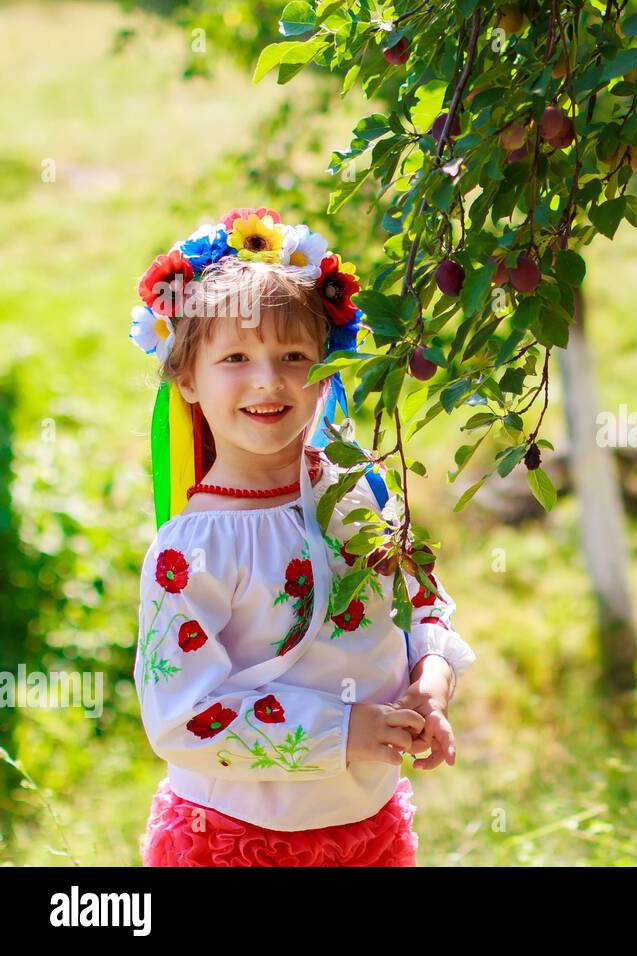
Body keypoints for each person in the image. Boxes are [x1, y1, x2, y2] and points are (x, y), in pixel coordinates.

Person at [130, 207, 475, 865]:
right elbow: (182, 715)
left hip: (367, 827)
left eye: (294, 356)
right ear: (186, 377)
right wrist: (343, 731)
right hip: (233, 837)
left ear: (327, 368)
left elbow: (422, 602)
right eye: (235, 357)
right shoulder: (191, 550)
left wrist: (430, 680)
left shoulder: (360, 489)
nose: (269, 379)